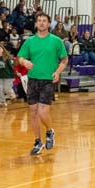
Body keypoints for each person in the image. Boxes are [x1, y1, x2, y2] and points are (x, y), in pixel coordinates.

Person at [15, 12, 68, 156]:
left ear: (49, 23)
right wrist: (24, 62)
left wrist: (57, 72)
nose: (42, 23)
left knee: (42, 111)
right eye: (39, 21)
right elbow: (19, 57)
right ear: (36, 23)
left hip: (48, 80)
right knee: (33, 113)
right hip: (33, 80)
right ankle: (38, 141)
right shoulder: (30, 41)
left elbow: (64, 60)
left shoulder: (56, 41)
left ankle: (50, 131)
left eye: (44, 21)